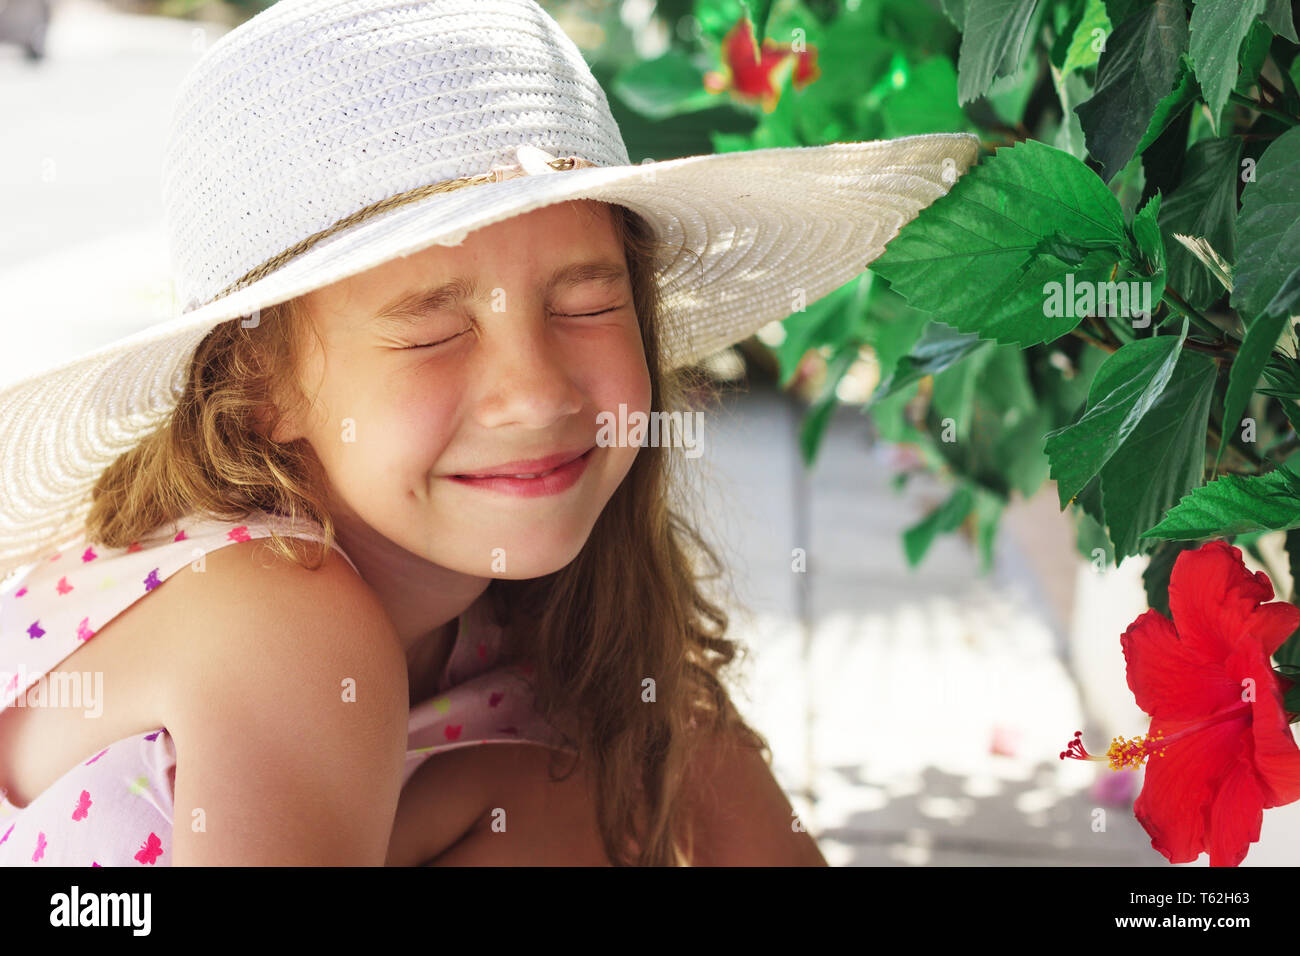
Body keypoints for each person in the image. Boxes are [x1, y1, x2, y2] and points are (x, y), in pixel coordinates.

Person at [0, 0, 979, 866]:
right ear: (261, 387)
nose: (535, 391)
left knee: (622, 768)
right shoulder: (274, 618)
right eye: (433, 327)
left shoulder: (559, 643)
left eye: (589, 303)